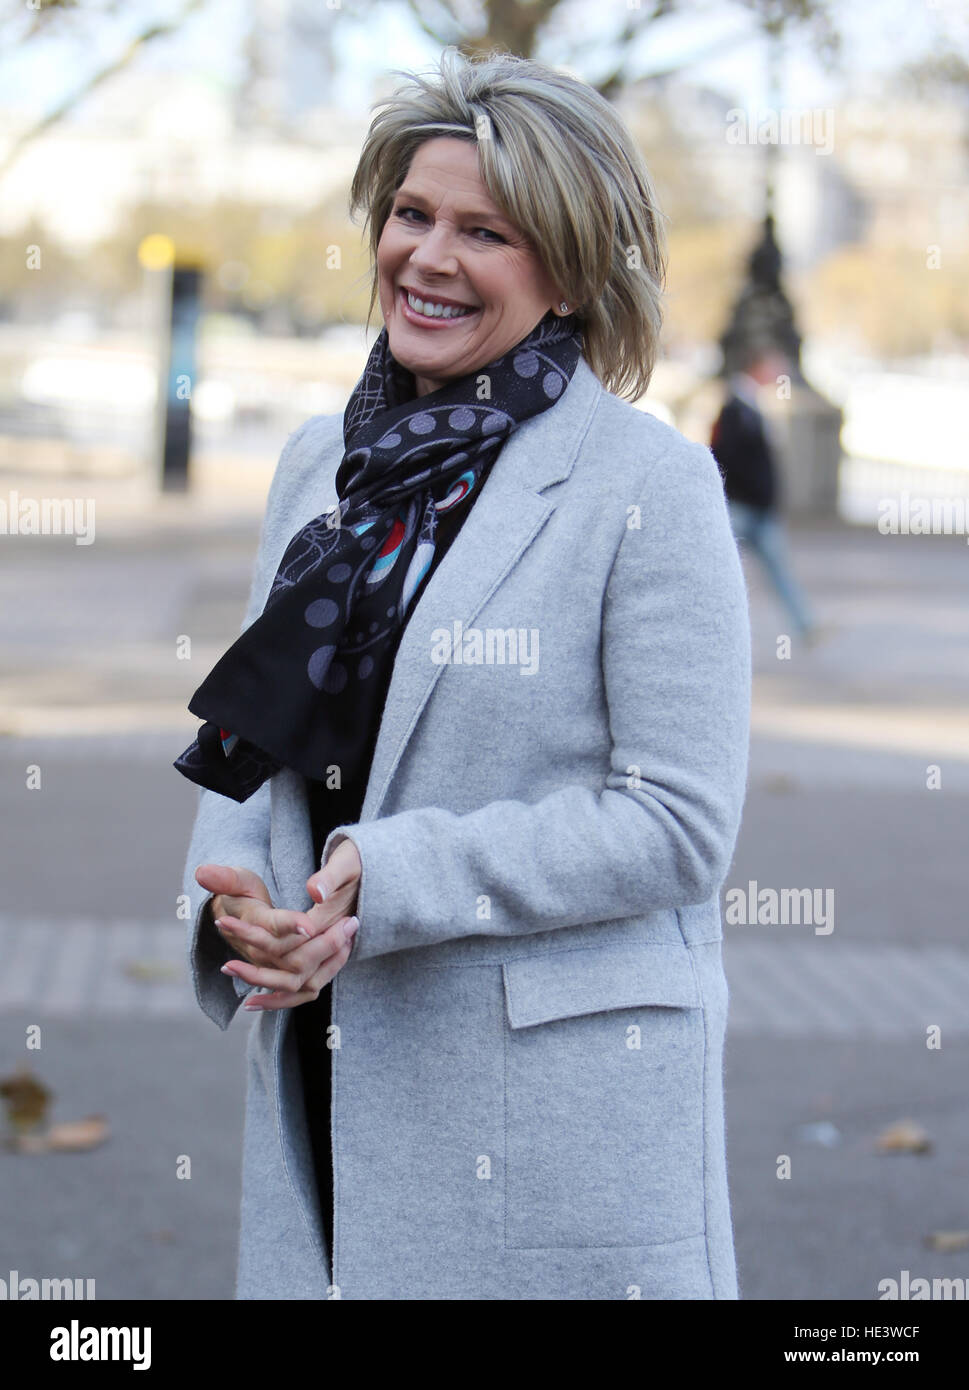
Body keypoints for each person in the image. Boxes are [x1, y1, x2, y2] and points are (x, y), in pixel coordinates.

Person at [175, 48, 750, 1301]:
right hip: (326, 1068)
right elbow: (253, 741)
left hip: (549, 1119)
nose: (429, 257)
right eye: (412, 214)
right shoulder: (317, 461)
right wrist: (237, 905)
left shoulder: (647, 485)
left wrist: (392, 876)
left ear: (571, 268)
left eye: (485, 231)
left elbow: (677, 823)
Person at [711, 346, 818, 641]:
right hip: (743, 508)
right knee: (725, 570)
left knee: (778, 569)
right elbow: (724, 457)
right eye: (774, 367)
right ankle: (717, 626)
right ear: (758, 368)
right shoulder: (735, 407)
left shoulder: (751, 404)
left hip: (758, 509)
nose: (778, 374)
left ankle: (805, 624)